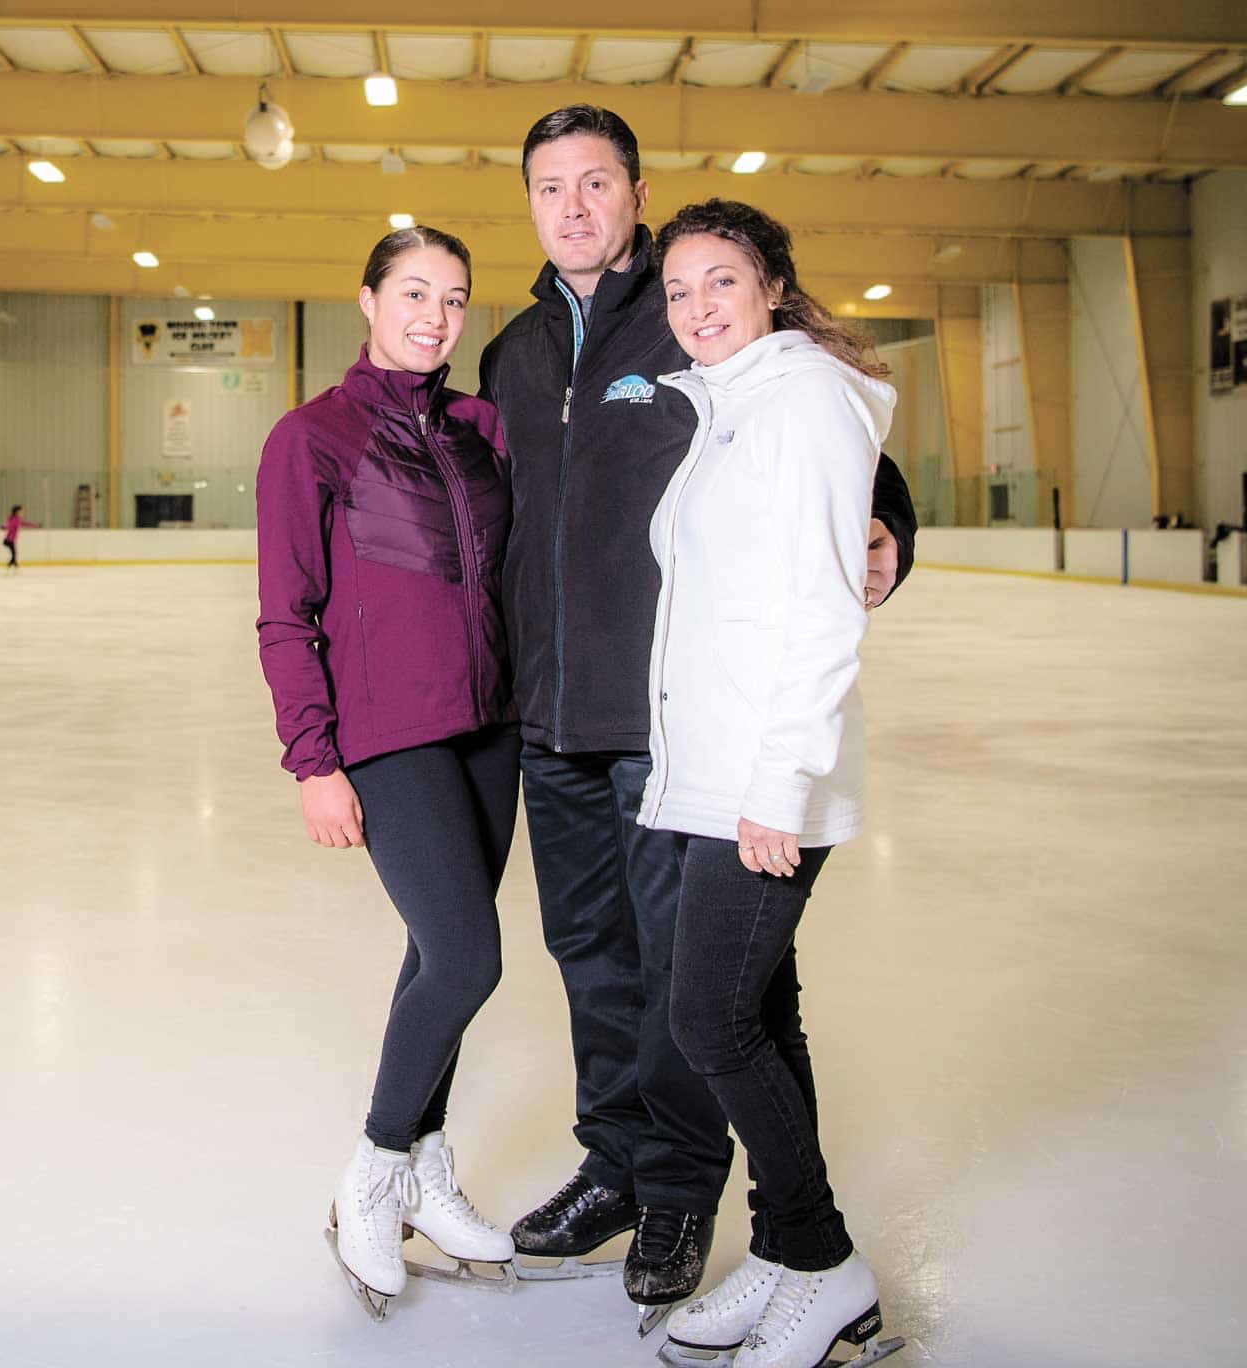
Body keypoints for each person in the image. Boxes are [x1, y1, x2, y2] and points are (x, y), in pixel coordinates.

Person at [476, 105, 916, 1323]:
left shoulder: (687, 319)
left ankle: (679, 1186)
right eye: (547, 187)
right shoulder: (510, 352)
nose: (571, 206)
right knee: (588, 959)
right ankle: (615, 1160)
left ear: (633, 191)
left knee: (687, 976)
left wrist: (894, 532)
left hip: (669, 721)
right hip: (548, 717)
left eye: (595, 182)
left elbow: (844, 468)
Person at [644, 198, 905, 1368]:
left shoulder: (798, 401)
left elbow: (815, 607)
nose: (697, 307)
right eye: (678, 290)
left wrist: (778, 784)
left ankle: (822, 1261)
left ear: (771, 289)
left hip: (763, 776)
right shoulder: (731, 407)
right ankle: (784, 1254)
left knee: (707, 1015)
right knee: (757, 1012)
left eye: (720, 283)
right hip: (719, 770)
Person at [256, 226, 518, 1321]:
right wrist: (313, 759)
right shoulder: (311, 438)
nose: (434, 316)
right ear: (364, 299)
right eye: (413, 292)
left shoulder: (479, 428)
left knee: (434, 951)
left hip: (492, 728)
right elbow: (284, 613)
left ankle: (423, 1164)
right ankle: (373, 1168)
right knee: (466, 958)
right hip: (389, 735)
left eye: (454, 299)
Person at [1, 504, 37, 572]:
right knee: (14, 554)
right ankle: (9, 567)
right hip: (9, 540)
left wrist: (35, 525)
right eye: (21, 511)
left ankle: (15, 567)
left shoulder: (16, 519)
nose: (22, 513)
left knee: (14, 554)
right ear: (17, 512)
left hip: (10, 540)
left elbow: (25, 524)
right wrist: (5, 527)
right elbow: (10, 525)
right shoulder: (15, 519)